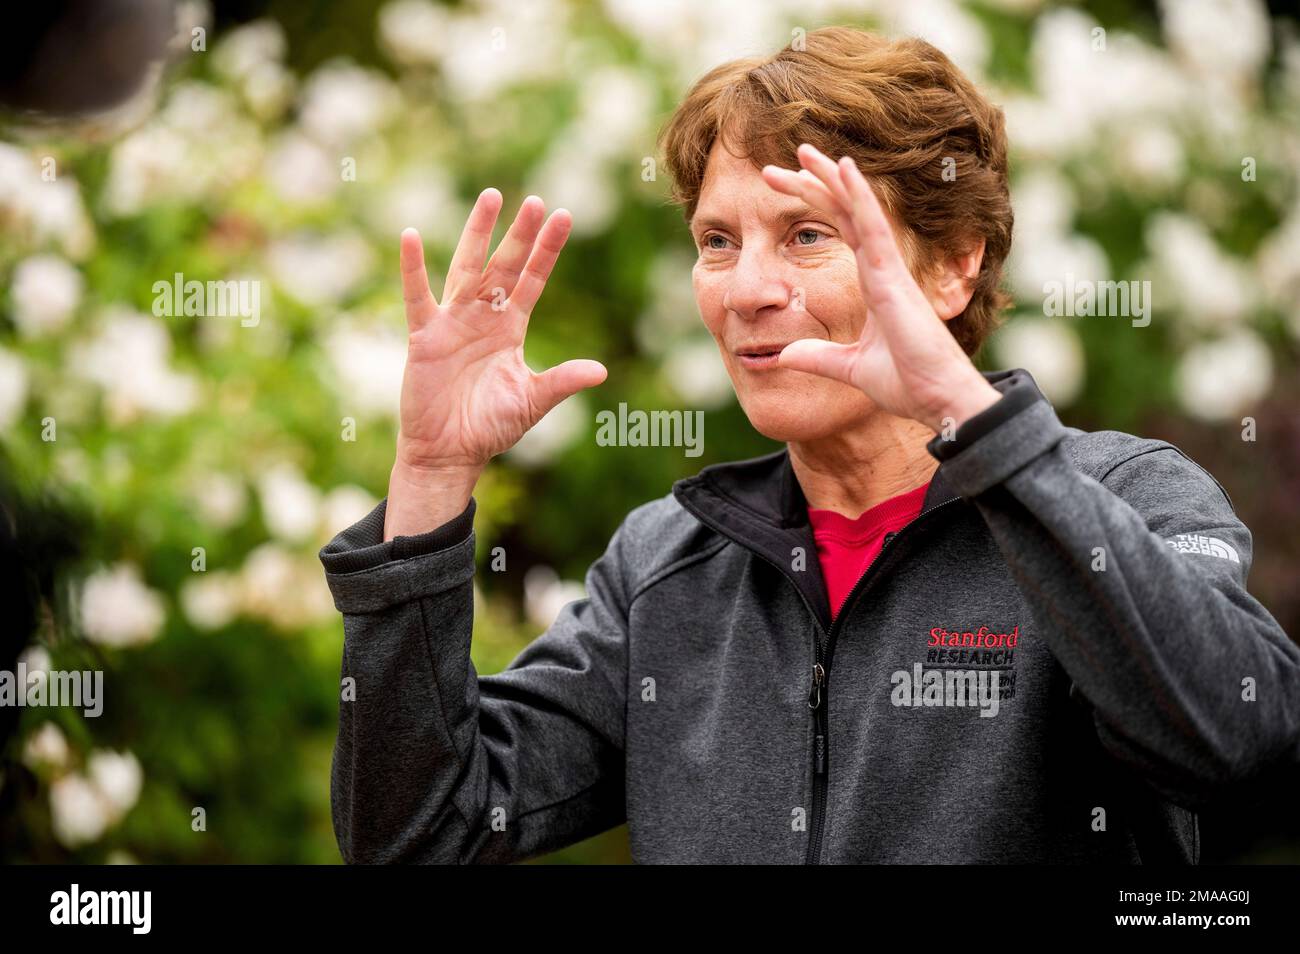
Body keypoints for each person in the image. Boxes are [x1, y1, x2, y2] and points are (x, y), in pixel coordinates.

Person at [317, 26, 1300, 863]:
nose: (745, 290)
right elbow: (421, 835)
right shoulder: (667, 569)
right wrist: (431, 480)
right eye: (716, 241)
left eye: (806, 235)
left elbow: (1241, 738)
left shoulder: (1122, 499)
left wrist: (978, 428)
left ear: (954, 265)